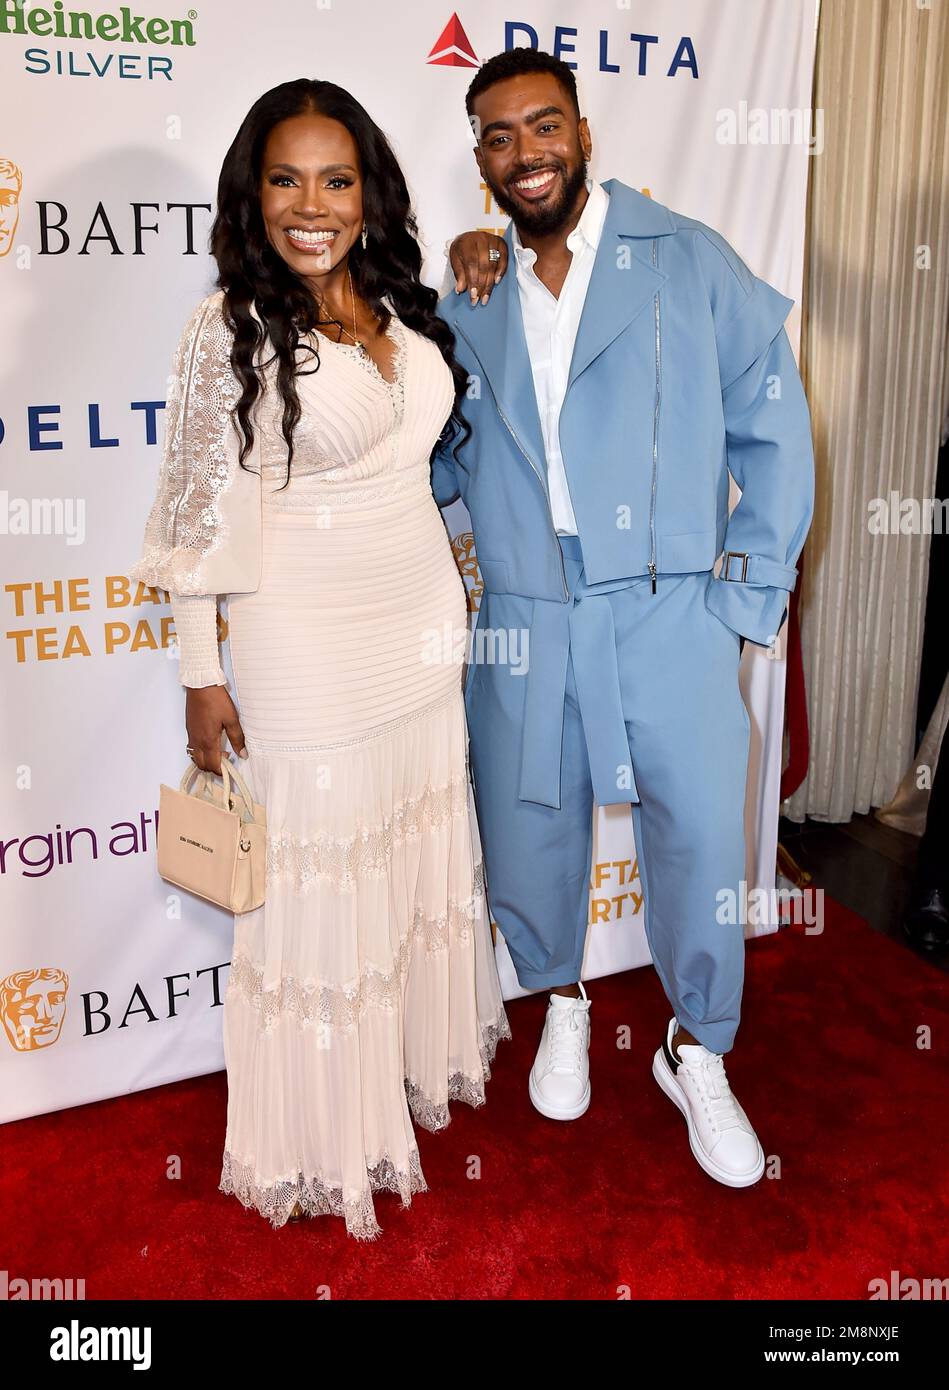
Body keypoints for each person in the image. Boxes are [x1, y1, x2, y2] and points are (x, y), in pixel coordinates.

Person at [130, 78, 510, 1239]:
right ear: (252, 194)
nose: (311, 205)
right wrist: (202, 675)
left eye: (334, 180)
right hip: (306, 646)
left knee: (404, 861)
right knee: (314, 885)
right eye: (284, 180)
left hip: (418, 633)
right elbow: (198, 517)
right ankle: (316, 1139)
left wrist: (482, 253)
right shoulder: (228, 326)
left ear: (367, 192)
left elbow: (427, 455)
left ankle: (393, 1082)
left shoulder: (396, 299)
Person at [434, 48, 815, 1187]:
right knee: (527, 822)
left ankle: (695, 1045)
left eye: (542, 128)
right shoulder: (468, 291)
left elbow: (775, 428)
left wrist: (740, 598)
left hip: (669, 609)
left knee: (700, 835)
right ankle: (558, 997)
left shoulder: (687, 258)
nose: (525, 155)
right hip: (525, 609)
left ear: (583, 131)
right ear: (479, 160)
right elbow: (438, 451)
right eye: (499, 137)